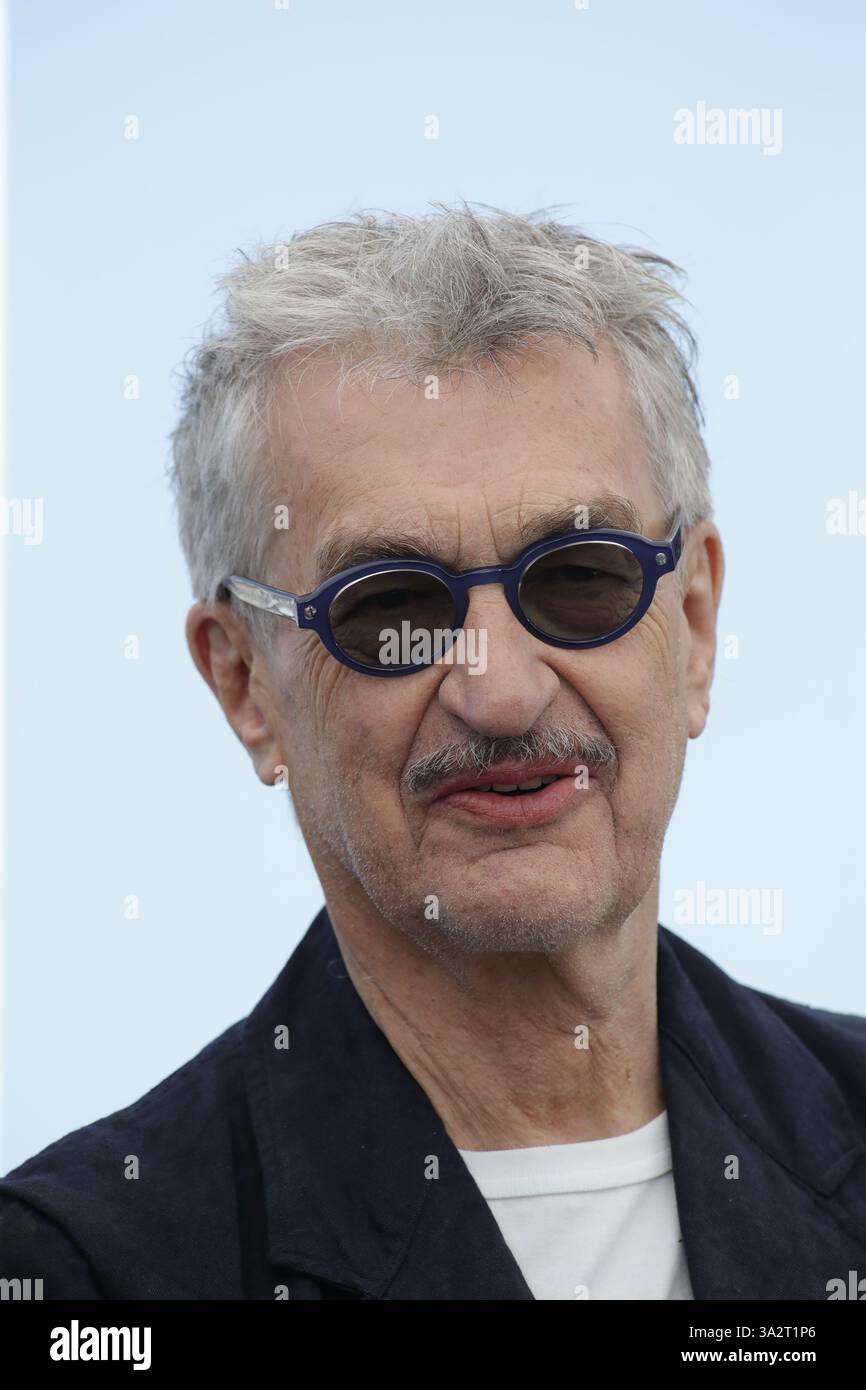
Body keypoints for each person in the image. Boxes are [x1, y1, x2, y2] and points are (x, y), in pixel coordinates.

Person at [3, 206, 865, 1301]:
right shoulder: (82, 1273)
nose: (498, 692)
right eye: (391, 605)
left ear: (692, 624)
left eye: (578, 577)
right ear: (244, 682)